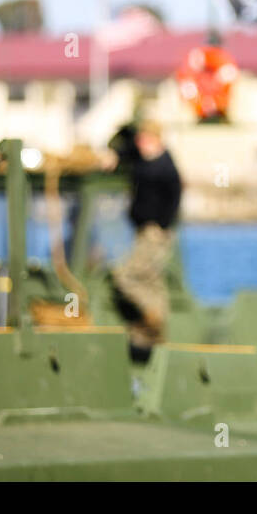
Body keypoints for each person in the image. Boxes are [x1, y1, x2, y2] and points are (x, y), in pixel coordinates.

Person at [106, 119, 183, 361]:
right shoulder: (141, 158)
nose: (140, 143)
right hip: (142, 229)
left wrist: (161, 226)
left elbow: (174, 199)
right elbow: (126, 147)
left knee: (127, 275)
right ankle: (153, 328)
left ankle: (154, 317)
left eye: (144, 139)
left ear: (156, 139)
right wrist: (117, 152)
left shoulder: (165, 168)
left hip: (154, 231)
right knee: (150, 277)